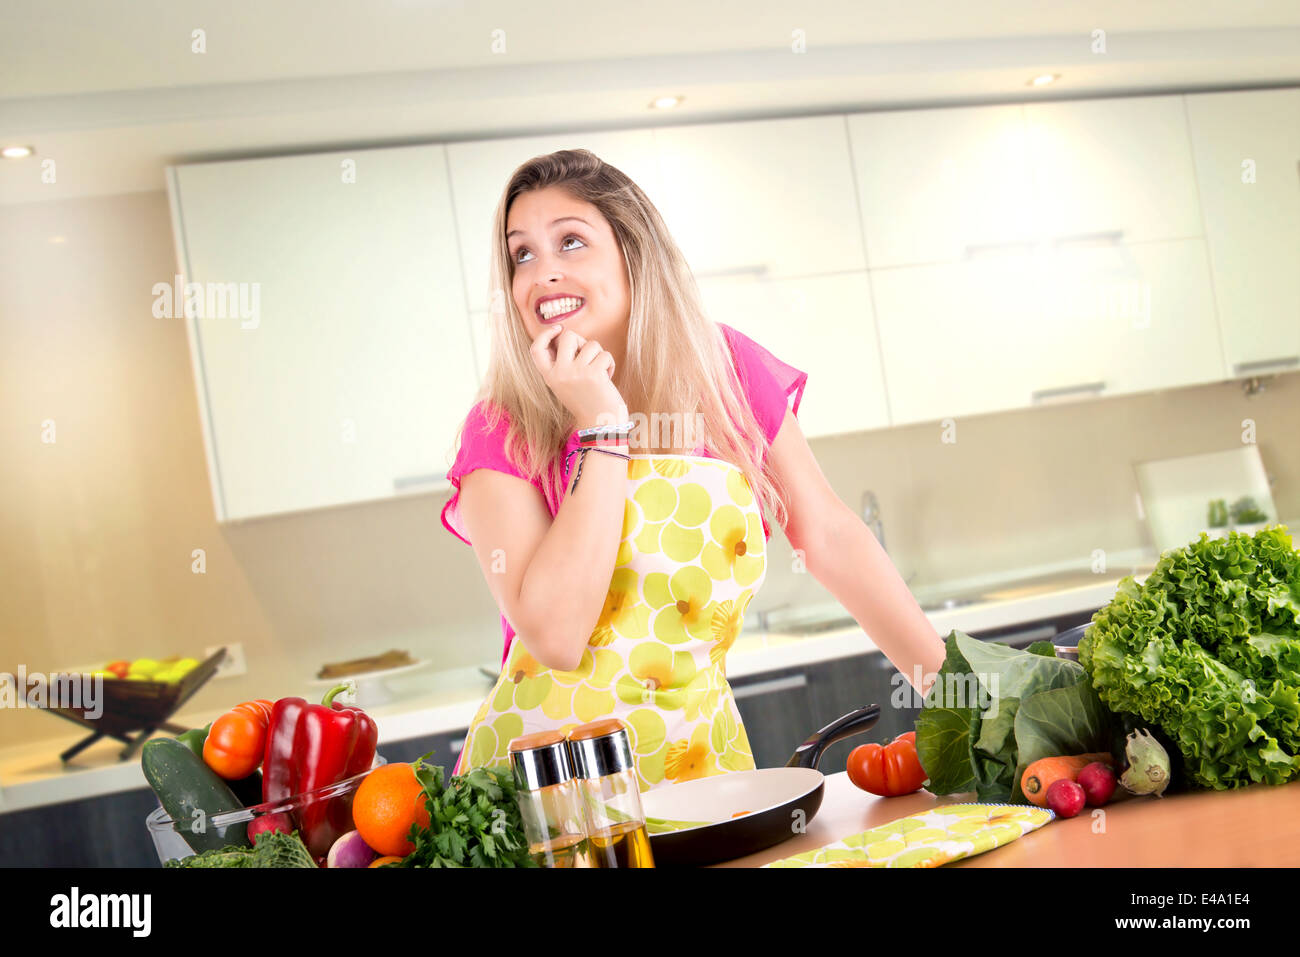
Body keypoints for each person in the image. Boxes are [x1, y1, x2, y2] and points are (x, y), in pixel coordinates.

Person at [440, 149, 945, 791]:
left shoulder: (723, 371)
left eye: (570, 242)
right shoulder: (503, 425)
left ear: (633, 250)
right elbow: (559, 637)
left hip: (701, 772)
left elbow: (829, 536)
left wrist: (965, 704)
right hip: (554, 805)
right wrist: (601, 426)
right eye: (522, 255)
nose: (543, 274)